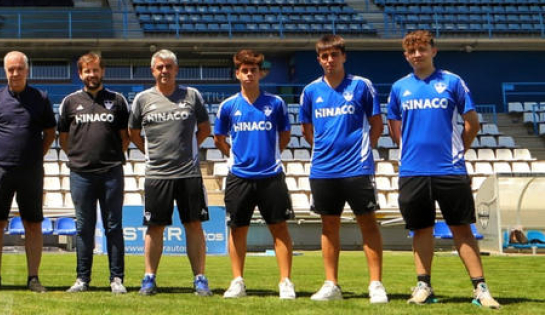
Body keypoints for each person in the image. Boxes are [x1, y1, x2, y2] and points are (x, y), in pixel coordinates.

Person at [388, 30, 500, 308]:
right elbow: (395, 128)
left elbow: (472, 123)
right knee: (421, 230)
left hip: (449, 169)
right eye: (412, 51)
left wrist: (458, 150)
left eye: (422, 49)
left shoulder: (452, 82)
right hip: (413, 171)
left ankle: (481, 289)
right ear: (406, 56)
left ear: (433, 51)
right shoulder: (399, 87)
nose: (417, 55)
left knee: (461, 229)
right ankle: (423, 286)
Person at [299, 35, 387, 303]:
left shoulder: (362, 86)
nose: (329, 60)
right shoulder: (310, 91)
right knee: (328, 225)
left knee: (367, 222)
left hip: (357, 167)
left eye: (334, 55)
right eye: (324, 56)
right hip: (323, 169)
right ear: (319, 59)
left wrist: (360, 152)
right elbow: (307, 130)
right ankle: (331, 284)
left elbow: (377, 125)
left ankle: (375, 284)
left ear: (343, 56)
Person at [128, 49, 212, 297]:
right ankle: (149, 278)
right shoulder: (143, 99)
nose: (164, 71)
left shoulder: (192, 95)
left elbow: (205, 128)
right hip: (157, 175)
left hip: (189, 174)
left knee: (194, 225)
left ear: (176, 69)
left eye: (169, 67)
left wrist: (189, 150)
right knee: (155, 227)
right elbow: (133, 133)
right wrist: (151, 152)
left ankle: (200, 278)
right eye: (160, 67)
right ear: (153, 71)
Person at [214, 49, 296, 299]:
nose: (249, 74)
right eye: (244, 71)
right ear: (237, 74)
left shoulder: (276, 104)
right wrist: (235, 156)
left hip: (271, 175)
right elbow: (218, 138)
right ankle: (238, 280)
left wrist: (270, 155)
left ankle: (285, 281)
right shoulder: (228, 106)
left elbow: (284, 135)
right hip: (239, 176)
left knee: (279, 228)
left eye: (254, 70)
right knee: (238, 229)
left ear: (261, 73)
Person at [0, 51, 57, 293]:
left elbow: (50, 133)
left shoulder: (41, 98)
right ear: (5, 71)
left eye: (19, 69)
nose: (15, 73)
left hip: (31, 171)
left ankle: (33, 278)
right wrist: (0, 155)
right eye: (10, 69)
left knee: (33, 224)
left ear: (27, 70)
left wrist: (36, 156)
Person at [58, 52, 130, 294]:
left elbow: (124, 138)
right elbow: (64, 139)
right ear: (80, 74)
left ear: (103, 72)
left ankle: (117, 279)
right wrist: (80, 158)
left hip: (111, 173)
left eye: (95, 70)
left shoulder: (117, 100)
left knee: (114, 226)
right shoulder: (70, 102)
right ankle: (82, 279)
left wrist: (108, 158)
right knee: (83, 228)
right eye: (87, 71)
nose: (92, 75)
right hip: (81, 175)